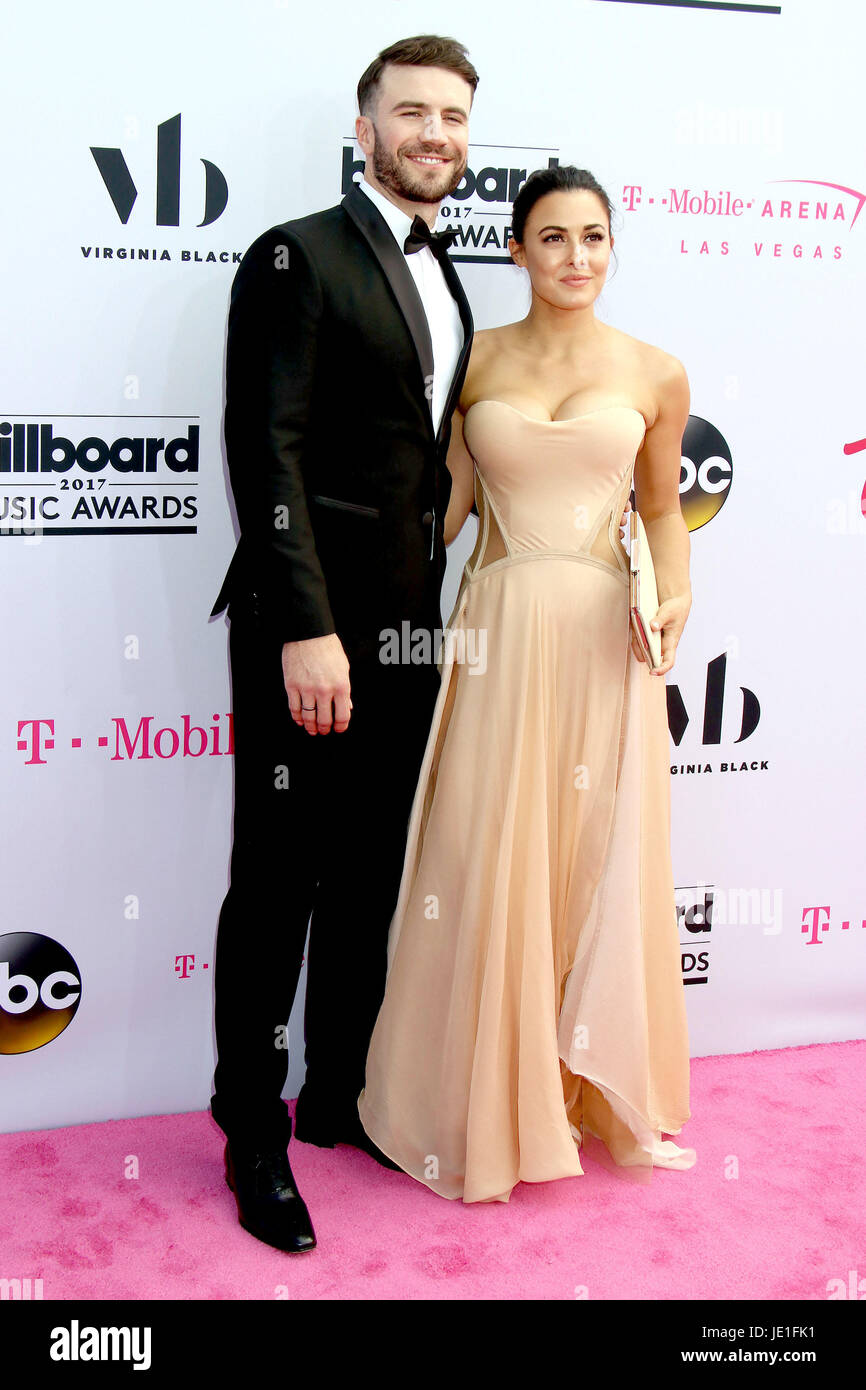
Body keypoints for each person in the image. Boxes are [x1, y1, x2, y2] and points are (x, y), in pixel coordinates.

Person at [358, 165, 698, 1203]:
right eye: (551, 238)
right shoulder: (473, 360)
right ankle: (483, 1095)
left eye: (593, 237)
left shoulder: (653, 371)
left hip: (603, 636)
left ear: (611, 247)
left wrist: (673, 599)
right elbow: (447, 508)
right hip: (495, 632)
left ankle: (576, 1078)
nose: (575, 258)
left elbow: (661, 508)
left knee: (586, 858)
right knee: (484, 850)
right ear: (515, 249)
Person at [208, 35, 479, 1252]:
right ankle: (250, 1133)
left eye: (454, 116)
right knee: (278, 877)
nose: (435, 134)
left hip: (411, 620)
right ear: (364, 127)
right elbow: (263, 447)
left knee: (370, 868)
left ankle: (335, 1099)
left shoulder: (446, 273)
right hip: (309, 621)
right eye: (411, 112)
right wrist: (309, 627)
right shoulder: (297, 254)